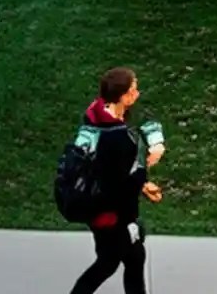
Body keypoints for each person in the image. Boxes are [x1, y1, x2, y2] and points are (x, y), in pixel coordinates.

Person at [70, 67, 164, 294]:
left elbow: (109, 173)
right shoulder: (118, 139)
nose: (137, 94)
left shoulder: (95, 117)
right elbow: (120, 186)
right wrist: (146, 168)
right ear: (123, 96)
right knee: (107, 264)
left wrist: (140, 183)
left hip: (96, 208)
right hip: (111, 217)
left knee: (133, 258)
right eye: (134, 90)